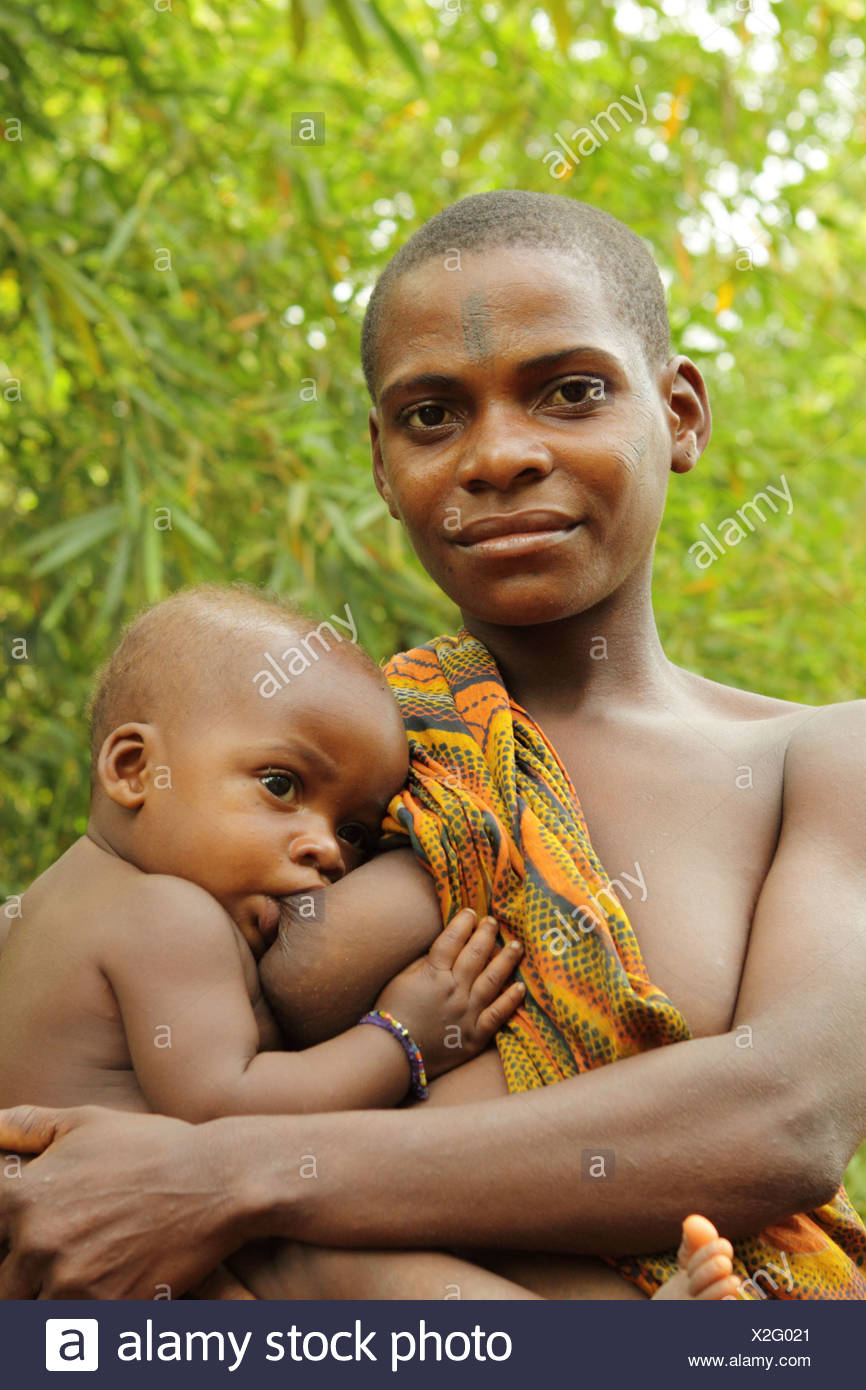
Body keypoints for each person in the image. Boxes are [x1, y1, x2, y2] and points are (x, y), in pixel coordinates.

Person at [1, 191, 864, 1301]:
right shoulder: (315, 756)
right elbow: (80, 984)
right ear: (377, 462)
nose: (498, 455)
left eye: (569, 392)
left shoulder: (820, 761)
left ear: (680, 410)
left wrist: (225, 1175)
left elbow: (779, 1115)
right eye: (429, 415)